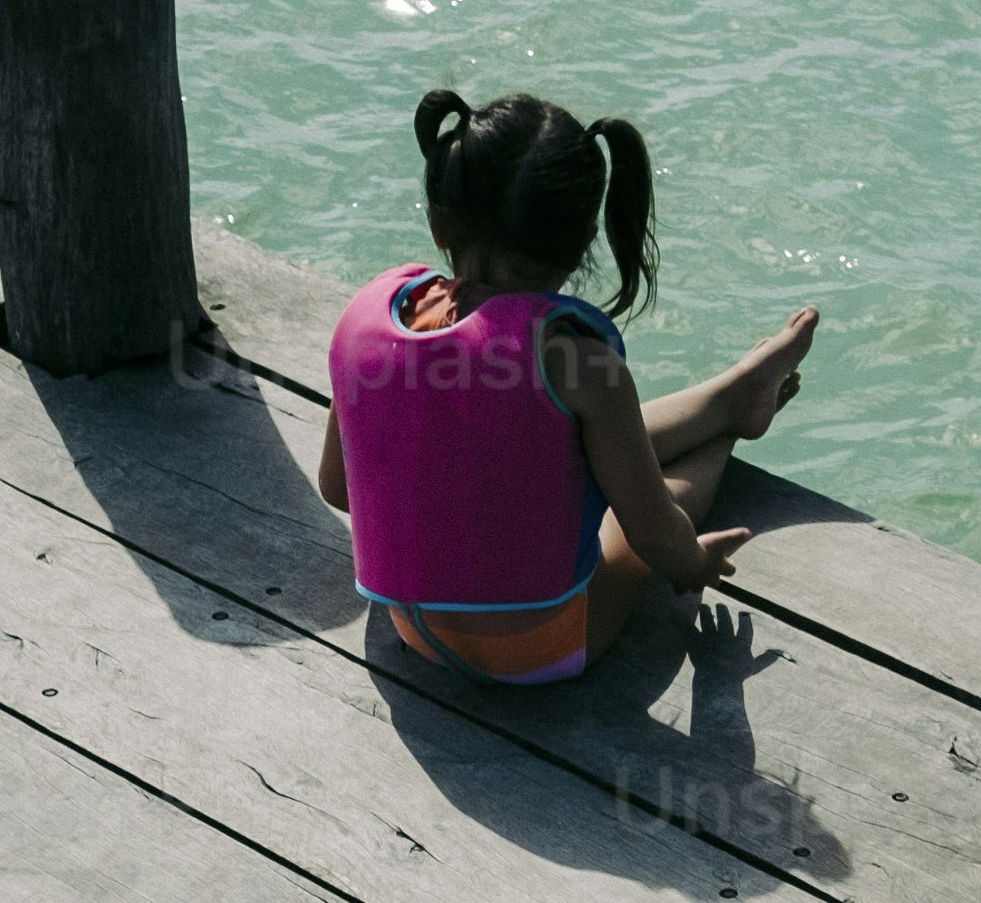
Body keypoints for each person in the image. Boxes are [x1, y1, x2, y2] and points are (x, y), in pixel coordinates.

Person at [318, 86, 819, 686]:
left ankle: (733, 394)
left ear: (439, 222)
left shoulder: (371, 317)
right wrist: (693, 563)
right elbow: (653, 534)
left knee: (579, 445)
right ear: (583, 245)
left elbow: (338, 489)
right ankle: (729, 427)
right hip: (537, 649)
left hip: (409, 627)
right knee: (638, 501)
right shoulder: (578, 362)